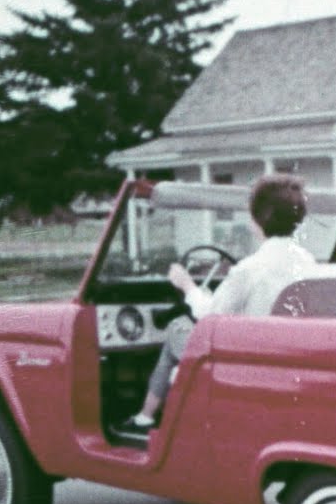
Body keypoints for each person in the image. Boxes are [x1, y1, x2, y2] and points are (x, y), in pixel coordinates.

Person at [117, 173, 316, 435]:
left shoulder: (249, 269)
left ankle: (145, 417)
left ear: (258, 219)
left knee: (177, 327)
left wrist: (187, 286)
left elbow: (209, 317)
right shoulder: (307, 261)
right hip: (281, 357)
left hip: (242, 360)